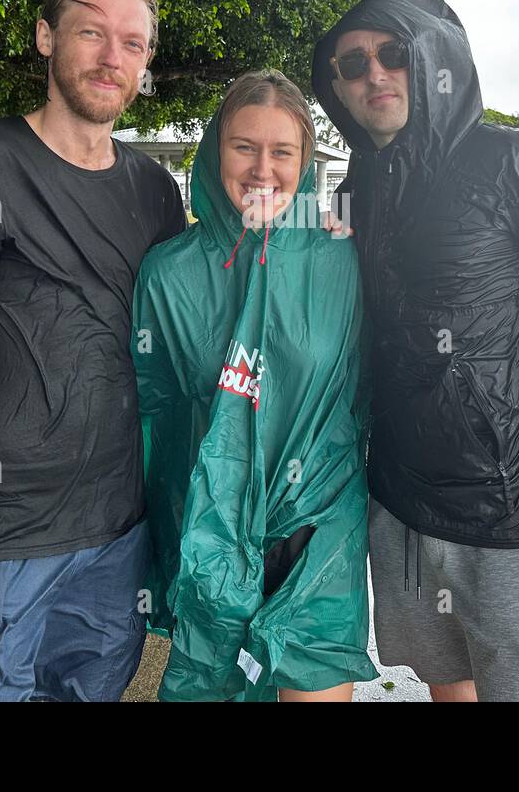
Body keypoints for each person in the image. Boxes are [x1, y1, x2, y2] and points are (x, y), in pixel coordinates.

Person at [310, 0, 519, 702]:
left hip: (516, 511)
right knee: (448, 680)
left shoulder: (516, 159)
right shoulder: (355, 184)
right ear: (334, 85)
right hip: (401, 501)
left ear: (433, 58)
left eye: (393, 53)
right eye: (352, 62)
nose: (374, 73)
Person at [0, 0, 185, 701]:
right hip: (1, 540)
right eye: (91, 32)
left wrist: (310, 239)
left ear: (146, 62)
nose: (111, 56)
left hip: (117, 538)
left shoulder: (156, 191)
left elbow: (202, 311)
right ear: (44, 36)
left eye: (131, 42)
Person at [132, 69, 378, 702]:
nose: (262, 168)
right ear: (217, 150)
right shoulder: (168, 273)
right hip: (215, 523)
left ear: (305, 159)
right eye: (244, 146)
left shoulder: (341, 258)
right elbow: (153, 413)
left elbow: (367, 386)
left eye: (282, 151)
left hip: (318, 528)